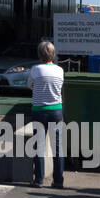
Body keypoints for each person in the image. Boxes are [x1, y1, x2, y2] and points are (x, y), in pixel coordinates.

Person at [27, 40, 65, 190]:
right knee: (57, 148)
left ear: (39, 54)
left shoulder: (35, 69)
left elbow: (29, 85)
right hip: (56, 111)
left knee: (39, 147)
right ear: (53, 54)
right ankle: (58, 181)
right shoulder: (60, 70)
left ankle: (39, 180)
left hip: (39, 111)